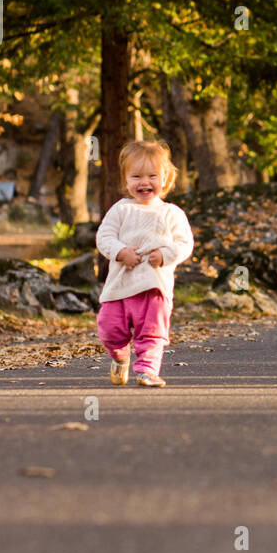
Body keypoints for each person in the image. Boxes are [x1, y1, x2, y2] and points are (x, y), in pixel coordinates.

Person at [95, 140, 194, 387]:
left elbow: (184, 243)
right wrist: (120, 252)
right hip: (120, 285)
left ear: (165, 179)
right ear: (126, 181)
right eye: (136, 176)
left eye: (152, 176)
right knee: (109, 329)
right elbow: (104, 236)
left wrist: (166, 254)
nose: (144, 182)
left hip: (154, 285)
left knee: (151, 331)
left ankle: (148, 370)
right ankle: (120, 355)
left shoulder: (171, 213)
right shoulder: (121, 209)